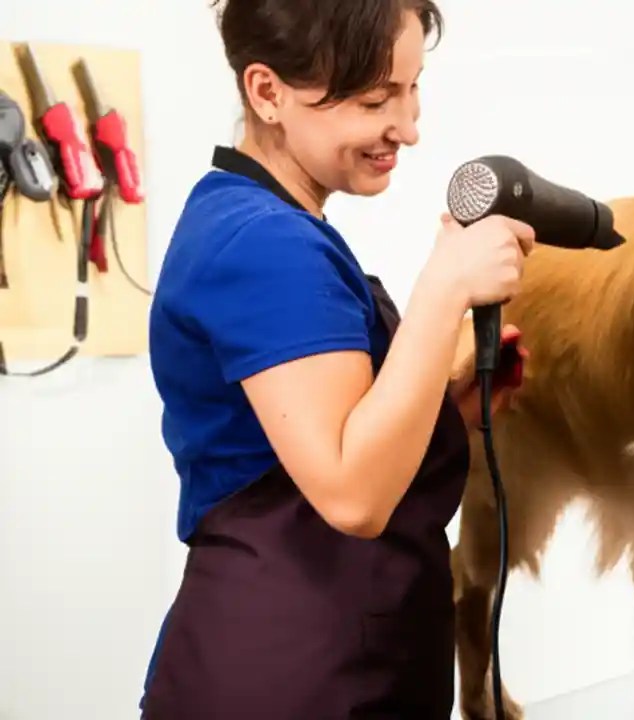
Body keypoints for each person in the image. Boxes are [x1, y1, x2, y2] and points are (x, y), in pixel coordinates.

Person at [139, 0, 535, 716]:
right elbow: (352, 495)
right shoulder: (266, 245)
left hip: (336, 665)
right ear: (267, 92)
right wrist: (444, 288)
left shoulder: (269, 226)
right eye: (376, 99)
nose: (408, 128)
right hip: (293, 680)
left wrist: (446, 408)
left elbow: (314, 438)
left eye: (412, 89)